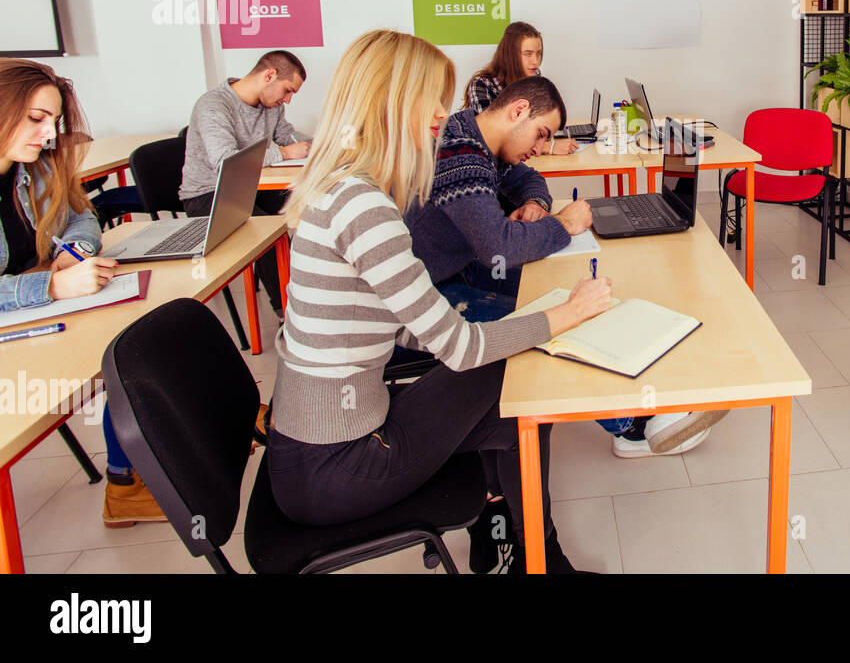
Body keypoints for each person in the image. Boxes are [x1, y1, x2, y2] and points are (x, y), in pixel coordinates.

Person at [268, 29, 610, 573]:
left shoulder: (341, 186)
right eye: (431, 97)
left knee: (515, 408)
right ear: (392, 98)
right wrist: (562, 315)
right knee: (505, 367)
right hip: (335, 466)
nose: (444, 115)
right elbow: (458, 348)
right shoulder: (363, 205)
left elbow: (385, 322)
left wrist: (466, 319)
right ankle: (534, 557)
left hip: (317, 449)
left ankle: (527, 553)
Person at [410, 75, 727, 462]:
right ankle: (632, 428)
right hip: (430, 292)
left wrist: (536, 205)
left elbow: (530, 178)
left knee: (569, 293)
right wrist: (563, 224)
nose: (541, 148)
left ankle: (647, 390)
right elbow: (500, 246)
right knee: (558, 322)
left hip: (462, 266)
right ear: (518, 111)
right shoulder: (461, 152)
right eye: (541, 135)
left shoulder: (478, 135)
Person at [0, 60, 167, 527]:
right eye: (36, 118)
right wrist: (50, 284)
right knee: (117, 353)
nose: (49, 132)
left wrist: (74, 249)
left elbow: (82, 215)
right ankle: (127, 483)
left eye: (52, 121)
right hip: (25, 310)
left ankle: (126, 484)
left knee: (135, 335)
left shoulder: (29, 169)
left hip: (29, 313)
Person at [179, 49, 311, 318]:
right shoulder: (214, 105)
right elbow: (226, 161)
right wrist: (285, 154)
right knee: (267, 236)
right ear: (269, 75)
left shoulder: (271, 107)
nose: (287, 99)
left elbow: (287, 136)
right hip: (209, 194)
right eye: (287, 91)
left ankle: (313, 294)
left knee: (313, 211)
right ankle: (289, 316)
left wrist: (319, 146)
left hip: (253, 187)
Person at [464, 21, 580, 155]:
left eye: (539, 53)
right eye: (528, 54)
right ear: (510, 55)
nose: (535, 61)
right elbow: (488, 139)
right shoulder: (481, 84)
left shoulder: (535, 77)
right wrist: (548, 147)